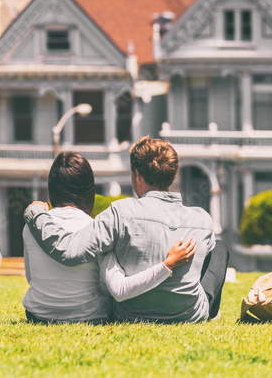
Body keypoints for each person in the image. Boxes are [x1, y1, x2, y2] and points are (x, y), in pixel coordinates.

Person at [25, 137, 229, 323]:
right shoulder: (202, 219)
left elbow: (68, 250)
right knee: (219, 248)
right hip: (189, 314)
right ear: (172, 176)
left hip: (130, 314)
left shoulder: (120, 213)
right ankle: (212, 314)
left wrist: (36, 213)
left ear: (137, 175)